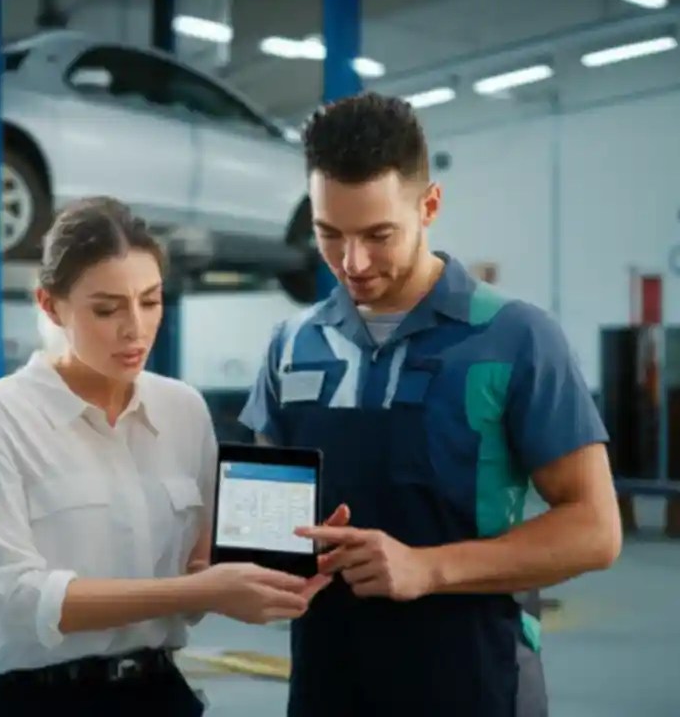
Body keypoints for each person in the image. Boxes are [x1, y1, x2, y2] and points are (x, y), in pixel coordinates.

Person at [240, 93, 623, 717]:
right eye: (328, 234)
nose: (352, 263)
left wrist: (427, 568)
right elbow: (265, 520)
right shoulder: (292, 344)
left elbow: (595, 530)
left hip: (474, 674)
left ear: (430, 206)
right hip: (326, 681)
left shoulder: (516, 336)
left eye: (378, 235)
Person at [0, 196, 323, 717]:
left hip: (157, 694)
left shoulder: (183, 410)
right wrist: (194, 589)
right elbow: (17, 602)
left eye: (150, 301)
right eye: (107, 308)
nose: (136, 328)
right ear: (51, 305)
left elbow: (201, 565)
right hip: (33, 702)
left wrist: (272, 569)